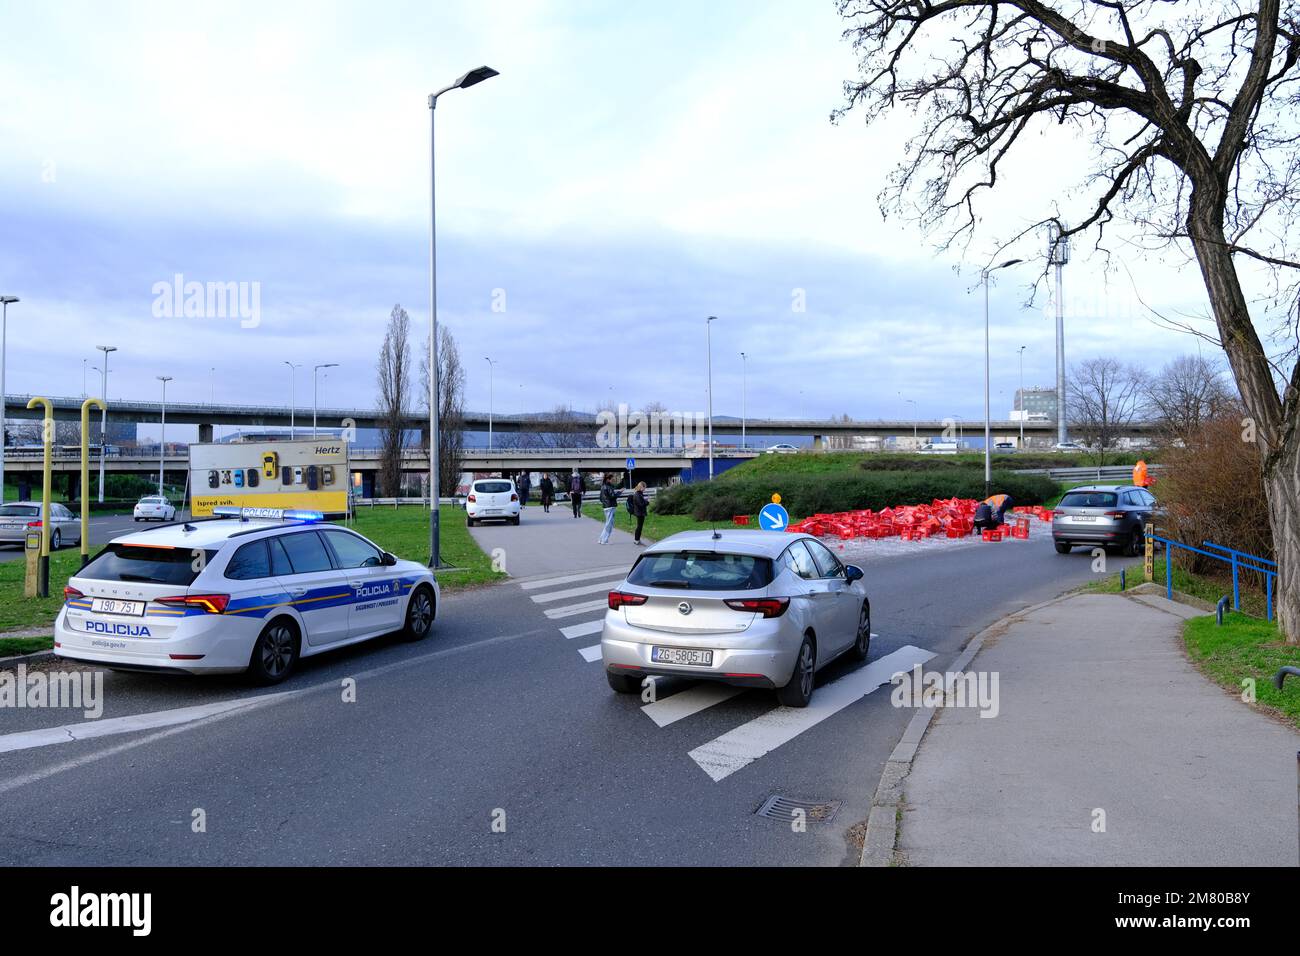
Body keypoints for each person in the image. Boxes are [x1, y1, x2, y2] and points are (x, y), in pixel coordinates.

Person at [598, 473, 619, 544]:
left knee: (608, 523)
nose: (613, 480)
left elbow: (600, 498)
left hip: (606, 507)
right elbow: (613, 496)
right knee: (609, 524)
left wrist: (605, 503)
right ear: (608, 479)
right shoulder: (609, 486)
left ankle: (601, 539)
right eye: (612, 479)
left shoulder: (602, 486)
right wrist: (620, 492)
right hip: (610, 507)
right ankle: (604, 540)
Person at [630, 481, 648, 545]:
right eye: (644, 487)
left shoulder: (639, 493)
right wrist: (647, 502)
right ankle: (636, 540)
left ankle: (637, 539)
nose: (645, 489)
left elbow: (641, 502)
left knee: (640, 526)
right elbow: (641, 504)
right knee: (639, 527)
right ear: (641, 487)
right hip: (639, 513)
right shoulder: (637, 494)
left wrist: (645, 500)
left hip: (640, 512)